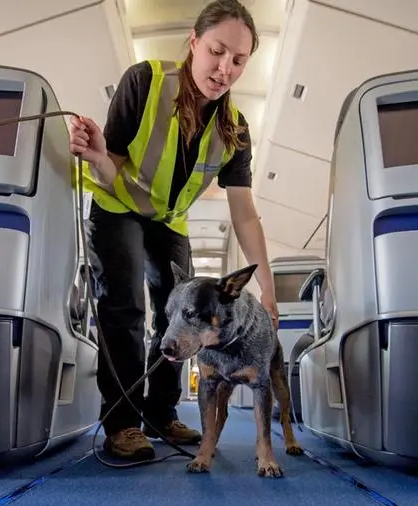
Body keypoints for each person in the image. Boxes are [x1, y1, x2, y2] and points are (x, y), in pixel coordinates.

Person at [68, 0, 279, 461]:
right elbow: (110, 167)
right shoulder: (144, 81)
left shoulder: (235, 129)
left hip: (168, 220)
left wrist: (267, 288)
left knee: (181, 312)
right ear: (194, 43)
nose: (225, 69)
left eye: (238, 60)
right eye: (217, 51)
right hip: (117, 204)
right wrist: (99, 155)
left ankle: (161, 414)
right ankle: (123, 423)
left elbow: (244, 213)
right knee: (124, 306)